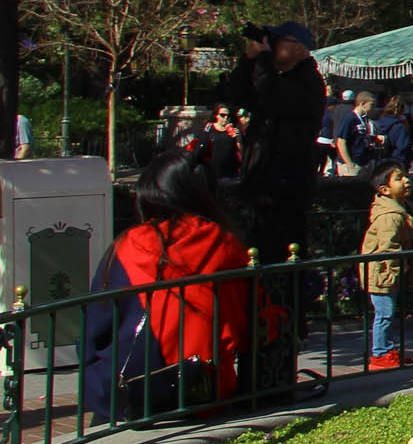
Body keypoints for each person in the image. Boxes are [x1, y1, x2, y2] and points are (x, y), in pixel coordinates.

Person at [81, 150, 284, 420]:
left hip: (128, 393)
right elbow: (254, 326)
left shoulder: (129, 244)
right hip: (203, 390)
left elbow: (96, 327)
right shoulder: (224, 245)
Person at [212, 21, 326, 267]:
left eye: (277, 41)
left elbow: (274, 96)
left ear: (298, 48)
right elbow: (237, 94)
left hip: (287, 185)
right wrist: (248, 60)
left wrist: (263, 59)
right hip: (260, 183)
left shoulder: (309, 81)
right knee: (258, 254)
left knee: (283, 257)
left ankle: (286, 302)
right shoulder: (274, 76)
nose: (270, 47)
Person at [359, 161, 413, 371]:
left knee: (388, 312)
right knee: (384, 314)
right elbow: (388, 248)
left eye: (406, 175)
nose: (407, 180)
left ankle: (387, 349)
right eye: (399, 178)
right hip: (383, 273)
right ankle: (380, 353)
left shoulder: (403, 208)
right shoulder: (390, 216)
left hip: (389, 271)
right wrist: (396, 270)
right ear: (384, 189)